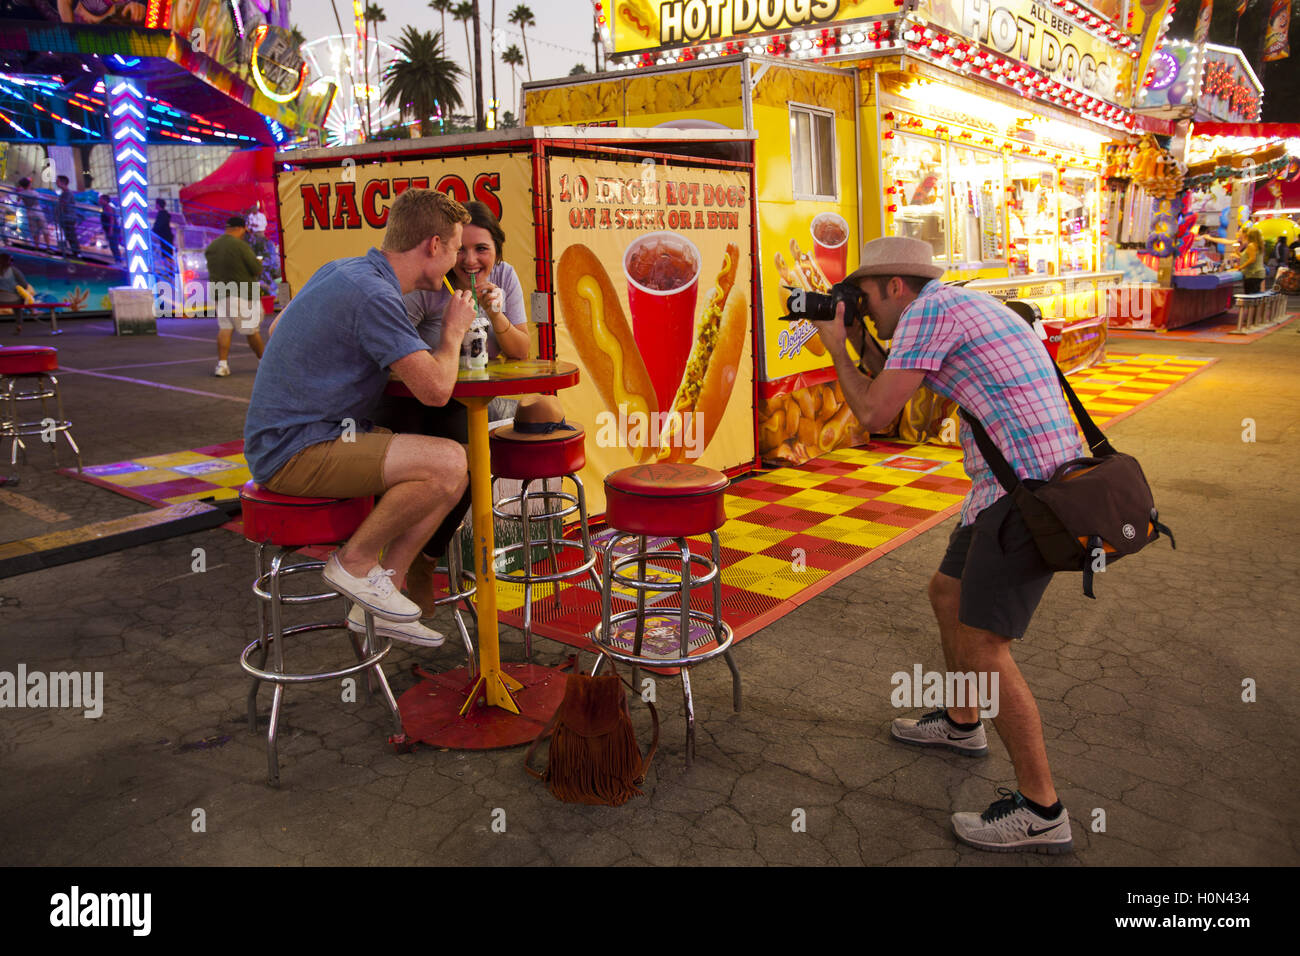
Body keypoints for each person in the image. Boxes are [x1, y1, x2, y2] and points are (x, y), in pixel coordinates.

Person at [813, 236, 1084, 854]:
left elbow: (876, 414)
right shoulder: (957, 303)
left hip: (1028, 495)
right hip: (1011, 482)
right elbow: (906, 387)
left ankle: (1043, 810)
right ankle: (964, 724)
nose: (862, 310)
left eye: (864, 297)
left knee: (985, 647)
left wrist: (835, 347)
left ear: (895, 287)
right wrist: (857, 342)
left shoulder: (927, 312)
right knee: (946, 593)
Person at [244, 189, 475, 647]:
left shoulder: (346, 270)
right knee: (448, 462)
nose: (458, 261)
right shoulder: (374, 294)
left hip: (295, 436)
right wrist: (452, 331)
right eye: (454, 248)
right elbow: (435, 391)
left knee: (454, 466)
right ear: (433, 246)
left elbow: (277, 326)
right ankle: (355, 563)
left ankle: (381, 589)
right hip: (293, 449)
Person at [376, 200, 530, 607]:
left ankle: (423, 559)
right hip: (417, 399)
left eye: (482, 249)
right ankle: (392, 565)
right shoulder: (430, 283)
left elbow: (522, 351)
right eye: (461, 248)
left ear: (497, 250)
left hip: (470, 402)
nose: (470, 259)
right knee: (457, 460)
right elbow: (394, 355)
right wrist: (449, 332)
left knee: (475, 458)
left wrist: (497, 316)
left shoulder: (504, 277)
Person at [205, 216, 265, 377]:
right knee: (252, 330)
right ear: (241, 228)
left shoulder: (212, 246)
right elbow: (256, 269)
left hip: (220, 293)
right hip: (242, 293)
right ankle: (265, 363)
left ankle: (222, 365)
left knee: (225, 328)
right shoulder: (240, 246)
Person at [16, 177, 47, 249]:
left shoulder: (22, 193)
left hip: (30, 212)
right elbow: (37, 200)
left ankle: (36, 246)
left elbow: (18, 199)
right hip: (37, 211)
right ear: (29, 184)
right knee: (44, 229)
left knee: (34, 231)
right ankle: (48, 247)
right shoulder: (35, 193)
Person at [56, 175, 80, 258]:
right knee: (69, 235)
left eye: (58, 181)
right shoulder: (65, 193)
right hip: (66, 217)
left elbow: (63, 204)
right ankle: (75, 252)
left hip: (68, 217)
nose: (56, 183)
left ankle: (76, 252)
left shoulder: (67, 193)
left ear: (62, 183)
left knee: (71, 235)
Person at [1236, 227, 1265, 295]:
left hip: (1252, 274)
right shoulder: (1259, 245)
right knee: (1255, 293)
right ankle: (1254, 305)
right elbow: (1248, 257)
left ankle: (1250, 306)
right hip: (1259, 273)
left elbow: (1252, 259)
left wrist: (1241, 267)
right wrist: (1237, 252)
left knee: (1250, 294)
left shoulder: (1251, 245)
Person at [152, 198, 174, 268]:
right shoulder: (165, 214)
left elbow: (158, 226)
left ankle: (168, 268)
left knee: (166, 254)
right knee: (167, 253)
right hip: (167, 237)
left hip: (165, 237)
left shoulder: (162, 215)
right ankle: (169, 268)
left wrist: (153, 231)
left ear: (158, 205)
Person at [98, 195, 122, 262]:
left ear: (105, 201)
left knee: (114, 245)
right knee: (113, 245)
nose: (99, 201)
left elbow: (112, 219)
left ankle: (118, 260)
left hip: (113, 229)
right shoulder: (104, 207)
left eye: (101, 199)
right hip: (110, 229)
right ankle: (118, 259)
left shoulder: (108, 208)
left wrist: (110, 230)